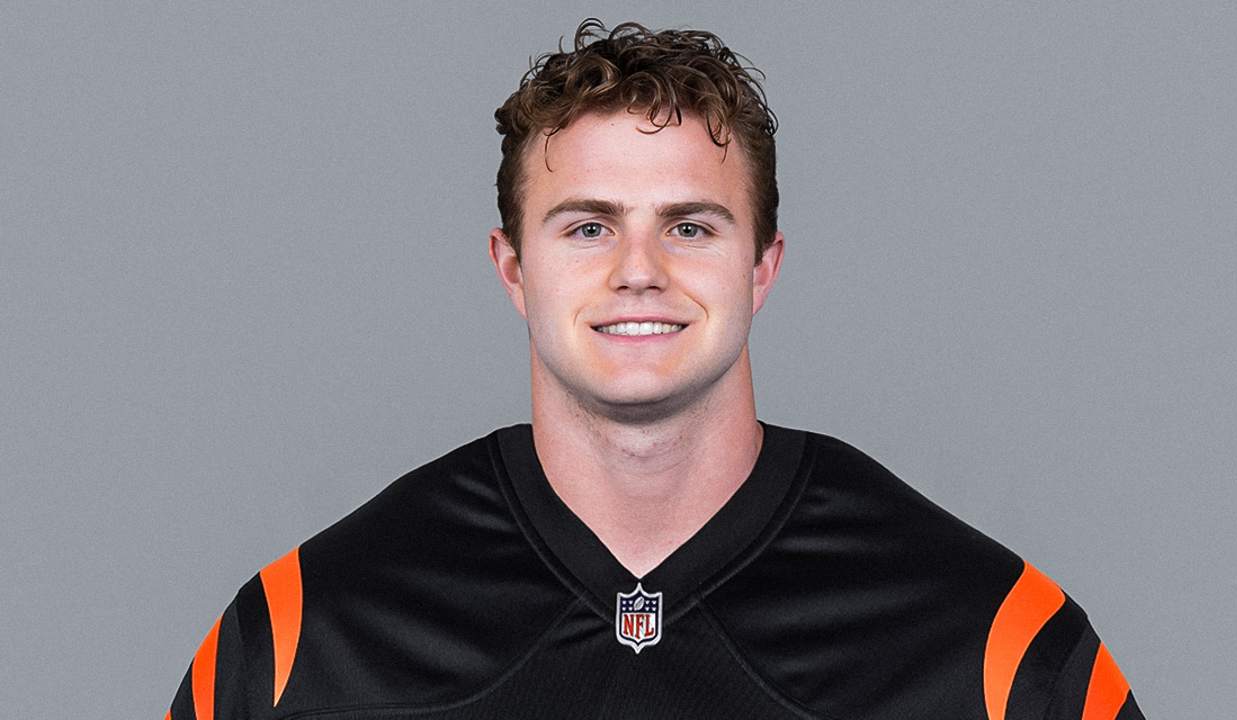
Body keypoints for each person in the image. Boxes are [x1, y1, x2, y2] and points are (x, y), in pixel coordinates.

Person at [165, 18, 1144, 720]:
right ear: (513, 268)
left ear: (762, 265)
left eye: (689, 226)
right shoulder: (305, 633)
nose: (638, 270)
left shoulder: (992, 642)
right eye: (587, 227)